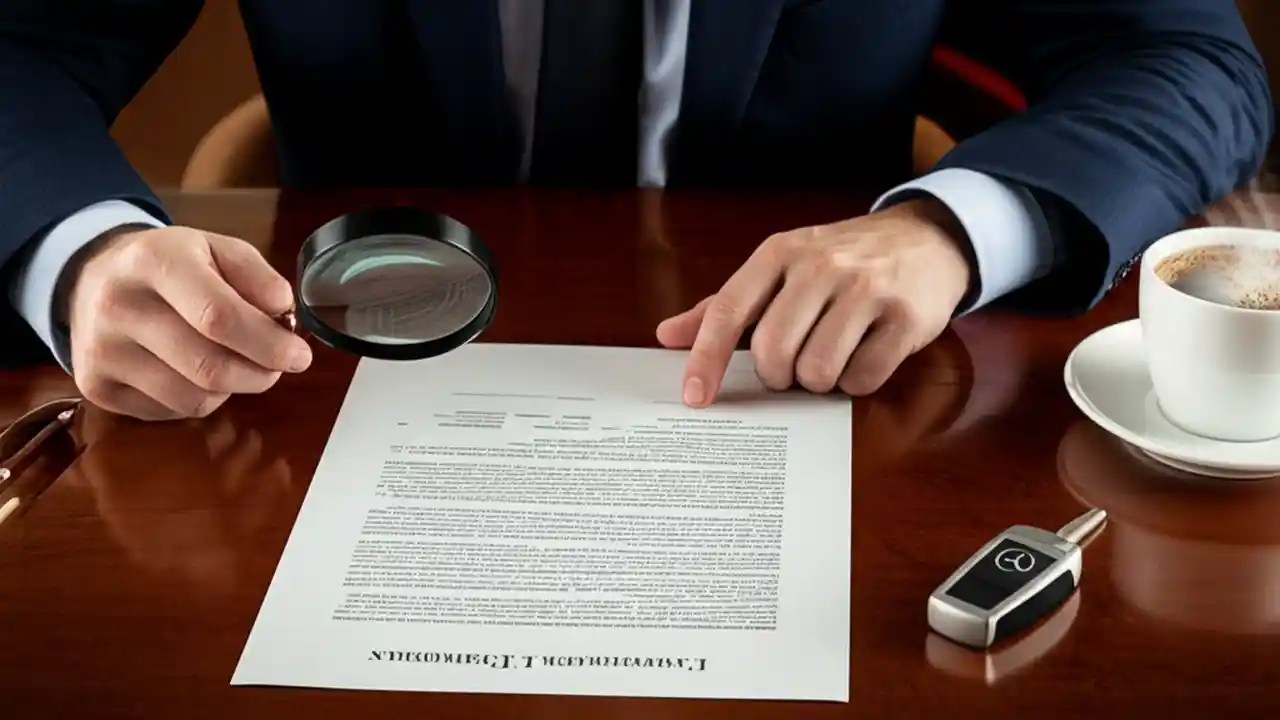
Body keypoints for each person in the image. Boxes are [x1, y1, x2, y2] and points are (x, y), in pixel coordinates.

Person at [0, 0, 1272, 421]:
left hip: (813, 399)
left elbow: (1186, 59)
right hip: (320, 391)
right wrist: (81, 254)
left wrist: (945, 230)